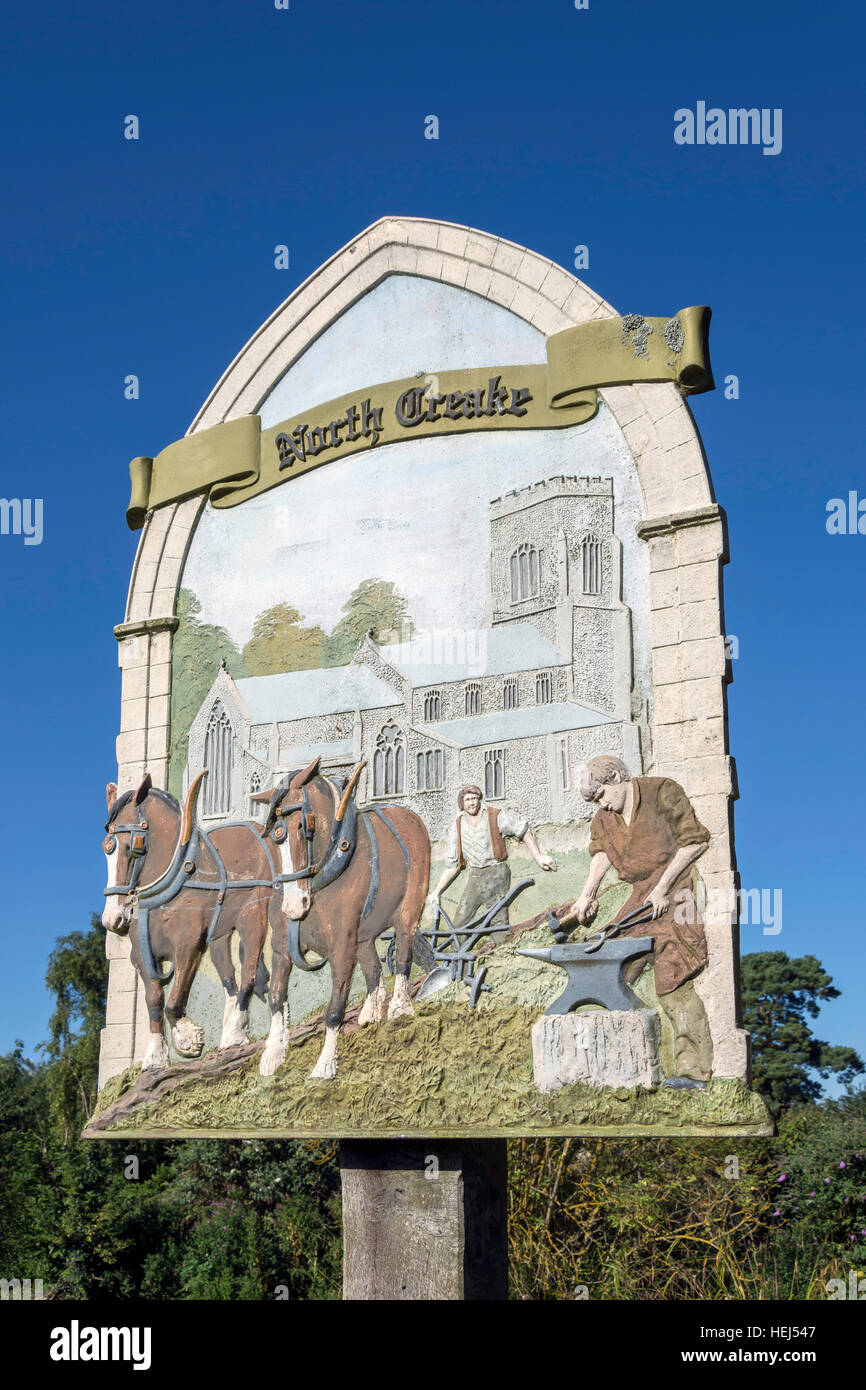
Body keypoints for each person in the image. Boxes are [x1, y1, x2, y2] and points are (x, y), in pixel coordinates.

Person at [567, 753, 713, 1086]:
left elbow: (696, 842)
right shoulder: (604, 818)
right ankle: (623, 1068)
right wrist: (587, 895)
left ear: (617, 777)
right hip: (639, 898)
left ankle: (694, 1073)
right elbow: (602, 853)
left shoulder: (663, 792)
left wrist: (663, 888)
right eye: (595, 801)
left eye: (601, 795)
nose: (601, 805)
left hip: (675, 892)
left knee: (673, 980)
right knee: (612, 968)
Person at [429, 784, 557, 928]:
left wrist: (539, 857)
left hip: (497, 873)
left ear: (479, 799)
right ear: (462, 804)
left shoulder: (494, 815)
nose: (471, 803)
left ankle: (503, 944)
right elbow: (453, 865)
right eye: (467, 800)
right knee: (460, 925)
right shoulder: (457, 826)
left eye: (474, 798)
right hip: (475, 875)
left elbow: (521, 829)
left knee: (497, 923)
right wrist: (437, 891)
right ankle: (463, 949)